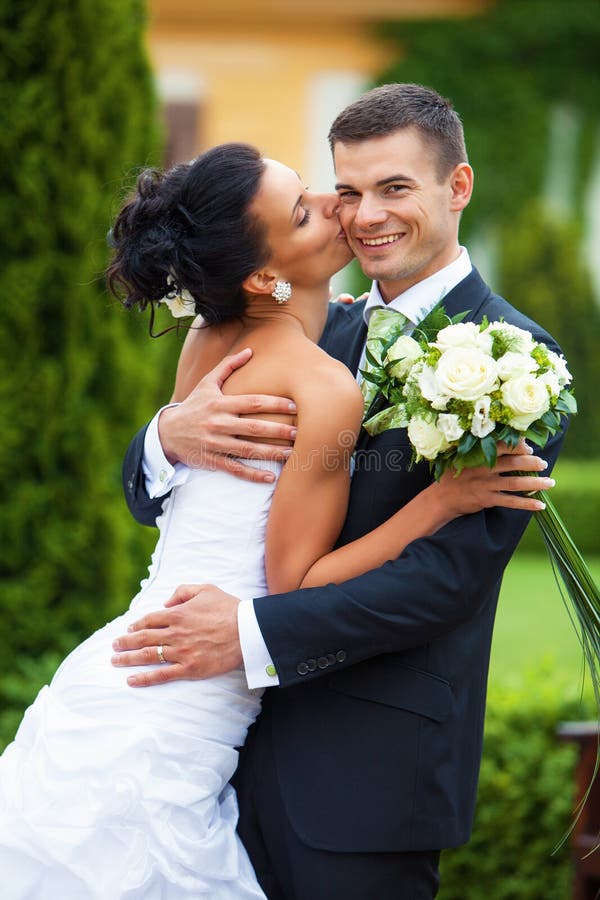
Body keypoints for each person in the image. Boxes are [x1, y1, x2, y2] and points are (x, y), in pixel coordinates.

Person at [0, 142, 549, 899]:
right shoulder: (324, 383)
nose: (343, 210)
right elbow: (291, 575)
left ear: (459, 186)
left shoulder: (207, 338)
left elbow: (441, 586)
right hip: (182, 710)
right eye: (315, 204)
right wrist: (439, 501)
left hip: (135, 686)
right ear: (261, 274)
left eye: (362, 190)